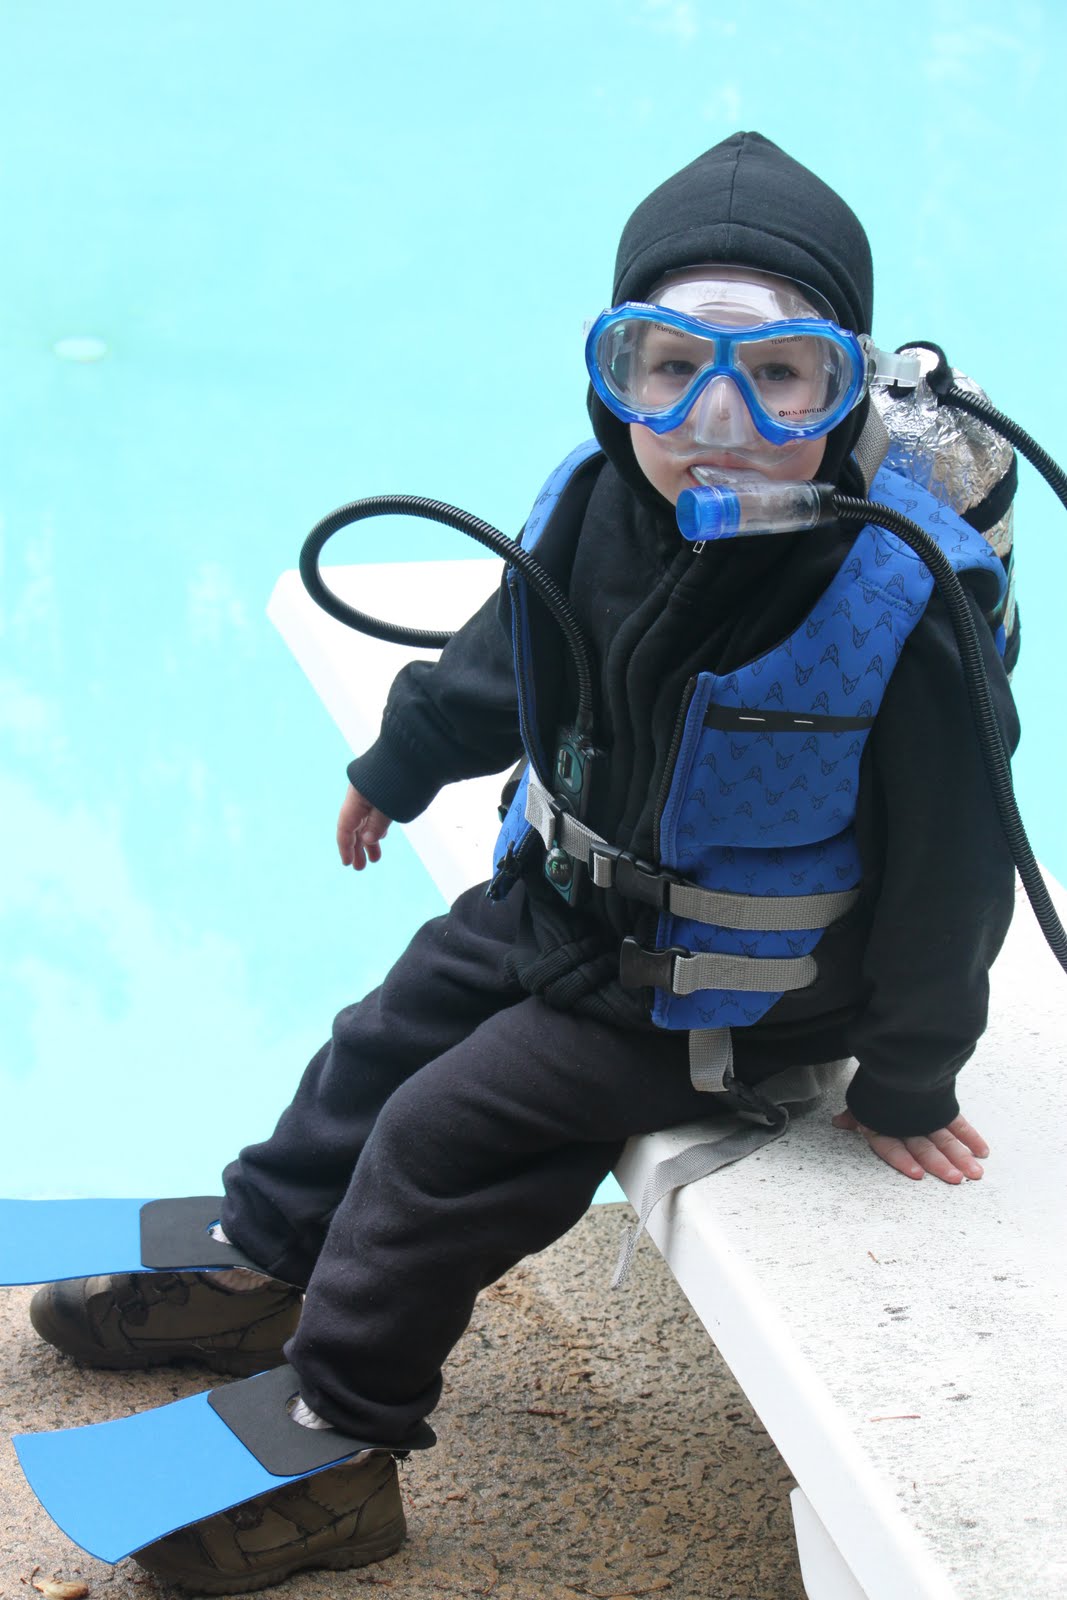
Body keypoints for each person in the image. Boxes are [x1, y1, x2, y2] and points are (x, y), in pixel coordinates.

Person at [27, 131, 1019, 1594]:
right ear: (613, 372)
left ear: (843, 385)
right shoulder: (596, 500)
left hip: (731, 1009)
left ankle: (342, 1438)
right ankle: (264, 1258)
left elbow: (957, 869)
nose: (717, 418)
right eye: (667, 366)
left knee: (443, 1135)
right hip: (564, 909)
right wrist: (400, 761)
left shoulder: (899, 596)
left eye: (781, 374)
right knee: (384, 1036)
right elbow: (504, 660)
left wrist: (913, 1072)